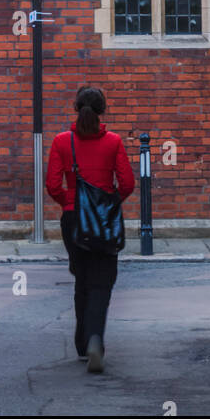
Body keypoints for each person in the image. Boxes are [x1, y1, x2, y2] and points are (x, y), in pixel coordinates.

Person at [45, 85, 135, 373]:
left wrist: (69, 203)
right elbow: (128, 183)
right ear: (102, 110)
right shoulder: (113, 142)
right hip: (104, 222)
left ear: (76, 107)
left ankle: (83, 346)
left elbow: (52, 184)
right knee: (102, 282)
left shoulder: (62, 141)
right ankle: (95, 338)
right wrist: (108, 203)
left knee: (82, 279)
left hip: (73, 220)